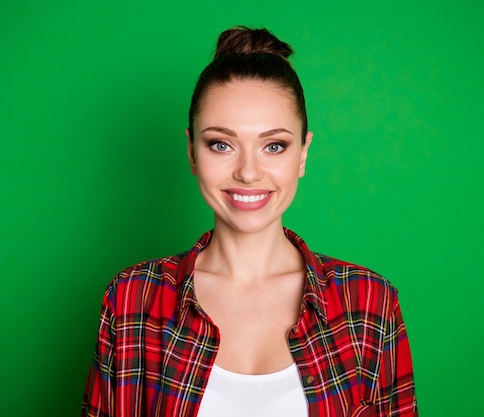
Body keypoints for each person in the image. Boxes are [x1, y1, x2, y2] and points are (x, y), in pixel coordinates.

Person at [81, 26, 418, 417]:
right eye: (221, 144)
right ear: (192, 152)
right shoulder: (131, 301)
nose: (248, 172)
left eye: (273, 145)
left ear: (303, 153)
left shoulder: (370, 304)